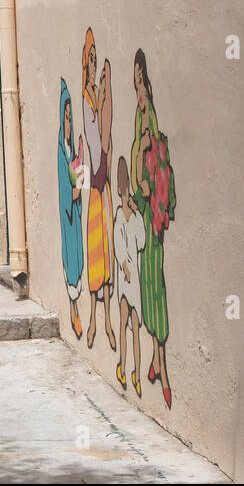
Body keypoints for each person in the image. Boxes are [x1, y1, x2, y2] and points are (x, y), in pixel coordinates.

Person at [131, 48, 176, 408]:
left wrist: (148, 189)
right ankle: (157, 360)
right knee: (147, 287)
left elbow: (157, 166)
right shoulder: (138, 119)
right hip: (144, 217)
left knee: (155, 286)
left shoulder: (152, 120)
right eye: (135, 85)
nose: (139, 90)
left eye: (141, 82)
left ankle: (160, 361)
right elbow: (136, 173)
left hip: (154, 220)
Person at [81, 30, 116, 350]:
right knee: (97, 263)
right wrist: (103, 99)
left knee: (107, 262)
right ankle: (94, 322)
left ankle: (104, 324)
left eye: (95, 60)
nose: (93, 66)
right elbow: (100, 146)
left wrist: (105, 97)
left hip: (102, 189)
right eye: (90, 60)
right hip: (95, 190)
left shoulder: (95, 97)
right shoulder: (88, 101)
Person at [112, 155, 145, 396]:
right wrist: (124, 264)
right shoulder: (119, 218)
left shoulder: (134, 217)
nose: (125, 192)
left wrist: (138, 212)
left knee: (132, 325)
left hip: (134, 278)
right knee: (125, 324)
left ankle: (135, 372)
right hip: (126, 279)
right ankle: (124, 367)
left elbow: (141, 242)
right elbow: (118, 246)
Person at [58, 79, 85, 338]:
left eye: (70, 117)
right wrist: (81, 169)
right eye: (65, 117)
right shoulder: (61, 153)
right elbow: (72, 192)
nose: (68, 122)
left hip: (74, 220)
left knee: (78, 262)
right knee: (71, 263)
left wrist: (80, 165)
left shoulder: (71, 151)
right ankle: (74, 309)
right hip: (68, 221)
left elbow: (78, 188)